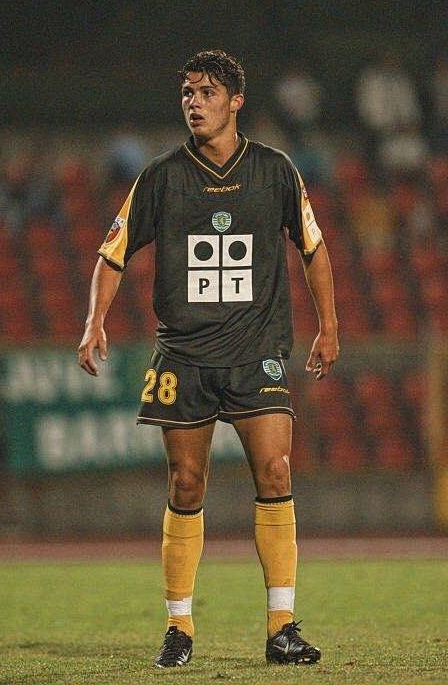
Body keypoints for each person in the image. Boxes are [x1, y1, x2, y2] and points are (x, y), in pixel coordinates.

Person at [78, 50, 339, 668]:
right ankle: (179, 627)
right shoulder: (162, 177)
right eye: (187, 93)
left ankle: (281, 627)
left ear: (236, 101)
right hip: (185, 354)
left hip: (257, 351)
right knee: (186, 482)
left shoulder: (275, 170)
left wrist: (329, 326)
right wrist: (94, 321)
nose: (193, 103)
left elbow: (313, 247)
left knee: (275, 471)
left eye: (207, 92)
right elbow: (112, 253)